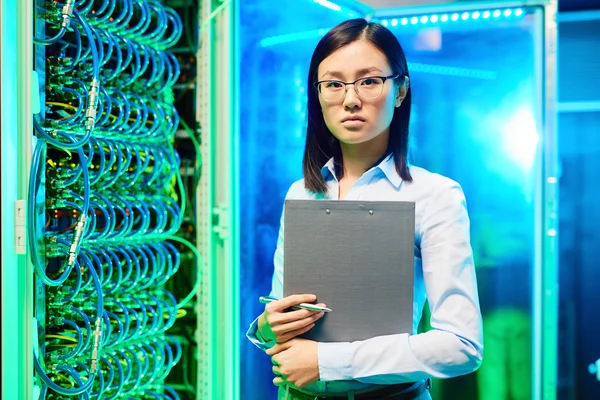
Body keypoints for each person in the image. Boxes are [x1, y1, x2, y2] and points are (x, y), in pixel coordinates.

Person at [246, 18, 483, 400]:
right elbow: (284, 317)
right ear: (317, 94)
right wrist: (266, 327)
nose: (350, 99)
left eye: (369, 81)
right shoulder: (302, 194)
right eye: (334, 84)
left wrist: (327, 361)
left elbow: (461, 346)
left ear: (401, 89)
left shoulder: (434, 195)